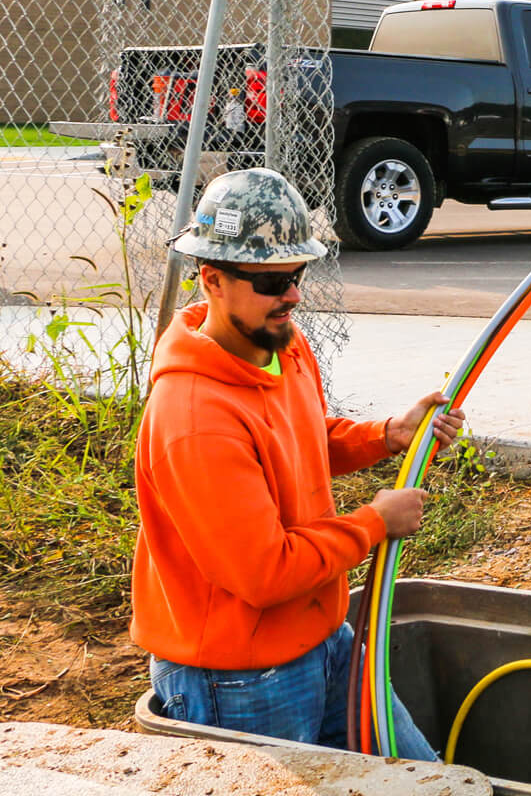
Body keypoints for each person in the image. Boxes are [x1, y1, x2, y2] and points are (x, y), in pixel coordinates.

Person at [133, 167, 462, 758]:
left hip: (322, 640)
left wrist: (387, 434)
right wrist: (373, 523)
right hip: (240, 677)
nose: (293, 294)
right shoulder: (194, 418)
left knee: (422, 776)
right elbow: (264, 574)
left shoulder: (278, 343)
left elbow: (303, 437)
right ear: (212, 280)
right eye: (272, 280)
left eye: (297, 274)